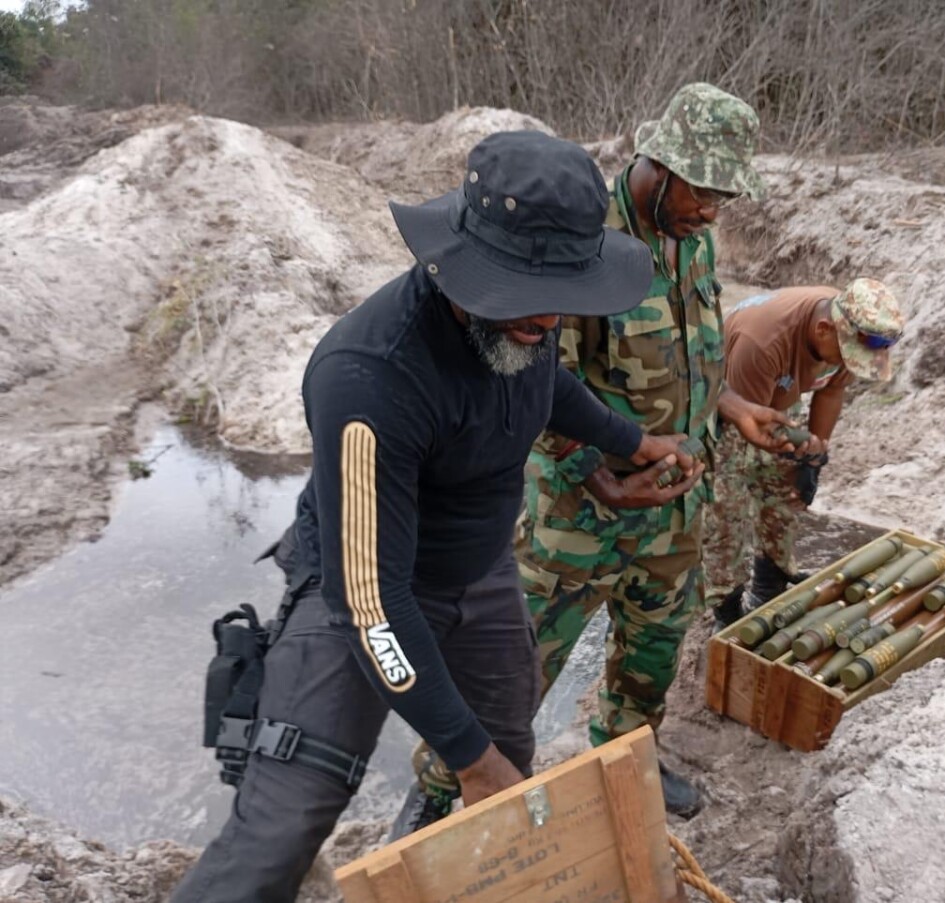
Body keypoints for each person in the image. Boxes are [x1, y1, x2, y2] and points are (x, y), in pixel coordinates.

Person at [171, 131, 700, 903]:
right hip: (358, 587)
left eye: (559, 295)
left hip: (480, 572)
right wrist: (467, 759)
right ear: (463, 262)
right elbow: (372, 603)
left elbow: (545, 387)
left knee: (508, 748)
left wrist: (631, 441)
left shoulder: (527, 317)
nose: (545, 316)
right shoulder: (369, 378)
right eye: (521, 296)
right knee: (285, 820)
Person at [396, 83, 792, 834]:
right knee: (515, 663)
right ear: (659, 165)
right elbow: (534, 375)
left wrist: (733, 408)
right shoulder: (580, 238)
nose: (713, 211)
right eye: (703, 192)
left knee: (654, 648)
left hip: (673, 504)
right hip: (578, 516)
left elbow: (692, 355)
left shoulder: (693, 239)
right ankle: (443, 792)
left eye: (723, 197)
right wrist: (595, 475)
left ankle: (628, 754)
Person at [706, 279, 905, 629]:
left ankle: (770, 581)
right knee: (727, 505)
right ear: (823, 330)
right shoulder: (762, 342)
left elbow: (831, 391)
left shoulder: (842, 331)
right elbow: (747, 424)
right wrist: (775, 455)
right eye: (846, 356)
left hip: (775, 391)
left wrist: (815, 449)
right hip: (729, 400)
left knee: (788, 483)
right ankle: (727, 603)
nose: (847, 364)